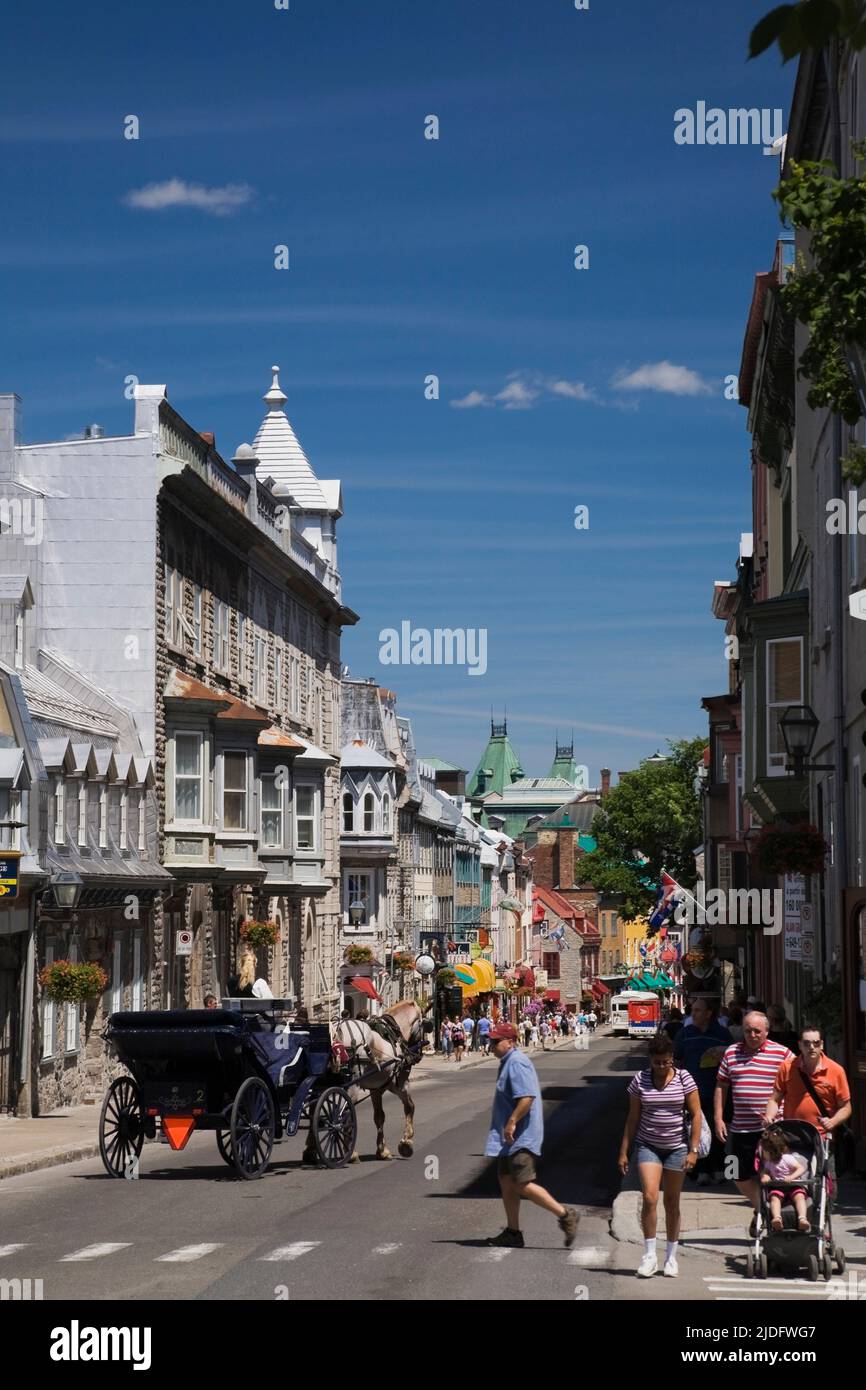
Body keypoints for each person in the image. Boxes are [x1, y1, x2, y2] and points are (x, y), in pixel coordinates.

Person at [484, 1022, 578, 1249]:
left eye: (496, 1041)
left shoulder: (516, 1063)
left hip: (520, 1136)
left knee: (521, 1183)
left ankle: (565, 1214)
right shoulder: (508, 1062)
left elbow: (526, 1097)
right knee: (506, 1181)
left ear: (511, 1042)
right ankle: (513, 1231)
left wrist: (512, 1122)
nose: (491, 1045)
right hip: (509, 1139)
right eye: (491, 1041)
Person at [619, 1033, 703, 1278]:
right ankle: (649, 1255)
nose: (662, 1067)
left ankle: (671, 1257)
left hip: (677, 1147)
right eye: (657, 1062)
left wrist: (693, 1150)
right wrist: (624, 1150)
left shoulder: (684, 1079)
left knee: (672, 1202)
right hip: (648, 1145)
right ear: (650, 1060)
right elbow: (633, 1117)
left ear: (672, 1059)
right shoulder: (640, 1080)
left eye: (666, 1062)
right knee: (649, 1196)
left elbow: (696, 1114)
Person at [714, 1011, 794, 1235]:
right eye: (748, 1030)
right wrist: (719, 1118)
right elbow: (721, 1086)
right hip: (740, 1128)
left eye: (757, 1031)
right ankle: (762, 1208)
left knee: (774, 1175)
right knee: (733, 1171)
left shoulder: (782, 1053)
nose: (752, 1035)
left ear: (766, 1031)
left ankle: (769, 1214)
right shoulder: (731, 1053)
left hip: (773, 1129)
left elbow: (796, 1082)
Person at [763, 1023, 852, 1190]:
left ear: (822, 1044)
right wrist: (770, 1117)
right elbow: (775, 1099)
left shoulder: (836, 1070)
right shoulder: (787, 1067)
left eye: (816, 1043)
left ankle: (824, 1213)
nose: (812, 1047)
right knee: (792, 1181)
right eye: (806, 1043)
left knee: (826, 1186)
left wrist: (832, 1122)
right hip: (792, 1135)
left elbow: (846, 1107)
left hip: (822, 1137)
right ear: (799, 1045)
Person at [673, 997, 731, 1184]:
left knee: (718, 1129)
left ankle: (720, 1168)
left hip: (717, 1090)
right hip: (692, 1091)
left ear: (708, 1013)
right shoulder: (685, 1034)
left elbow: (733, 1058)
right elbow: (675, 1059)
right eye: (693, 1011)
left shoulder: (722, 1034)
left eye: (698, 1010)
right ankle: (701, 1170)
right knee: (695, 1131)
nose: (693, 1014)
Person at [758, 1127, 810, 1233]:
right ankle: (777, 1218)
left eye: (764, 1152)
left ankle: (802, 1218)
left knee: (799, 1197)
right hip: (778, 1187)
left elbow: (801, 1168)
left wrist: (792, 1177)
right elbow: (765, 1172)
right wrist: (765, 1176)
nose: (763, 1154)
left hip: (793, 1185)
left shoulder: (787, 1158)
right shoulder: (769, 1163)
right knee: (774, 1198)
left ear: (772, 1151)